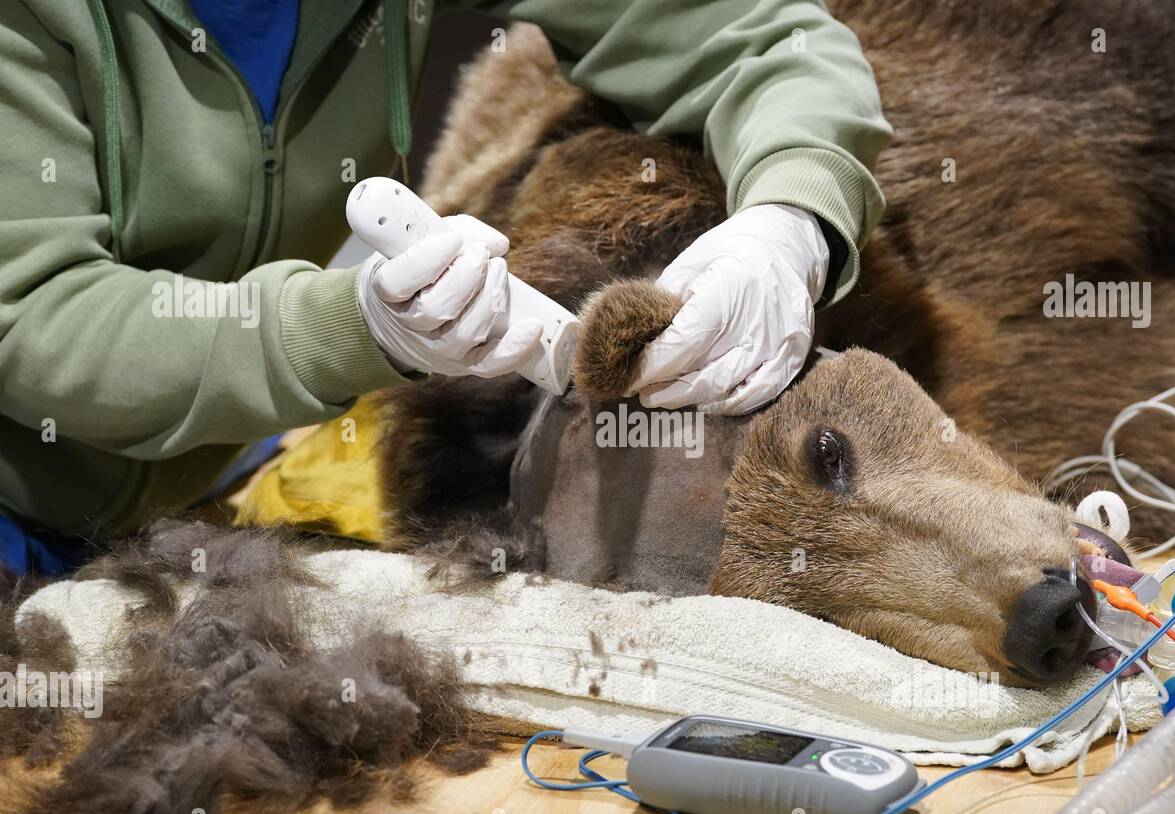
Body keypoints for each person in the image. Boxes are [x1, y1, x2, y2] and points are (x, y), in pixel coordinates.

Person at [0, 0, 891, 575]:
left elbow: (765, 40)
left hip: (186, 499)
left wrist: (790, 220)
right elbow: (37, 322)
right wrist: (348, 329)